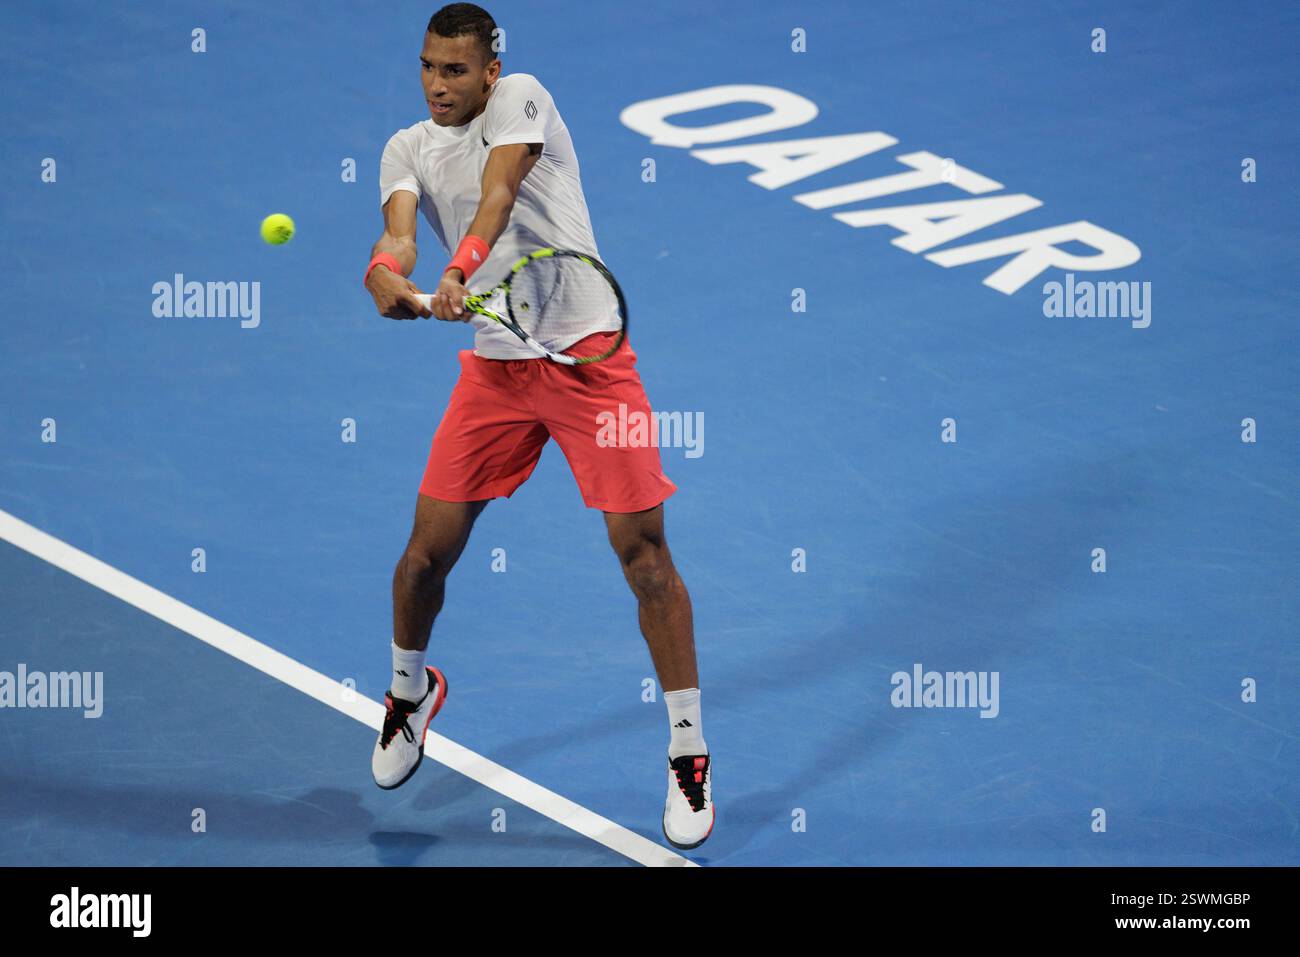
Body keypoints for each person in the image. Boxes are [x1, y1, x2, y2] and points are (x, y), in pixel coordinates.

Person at [362, 3, 712, 850]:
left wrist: (461, 268)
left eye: (455, 70)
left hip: (590, 360)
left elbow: (499, 190)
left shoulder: (523, 97)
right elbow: (399, 233)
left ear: (489, 70)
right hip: (495, 371)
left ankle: (688, 750)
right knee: (423, 557)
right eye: (427, 68)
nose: (439, 85)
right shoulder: (405, 148)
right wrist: (384, 271)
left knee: (647, 560)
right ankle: (410, 694)